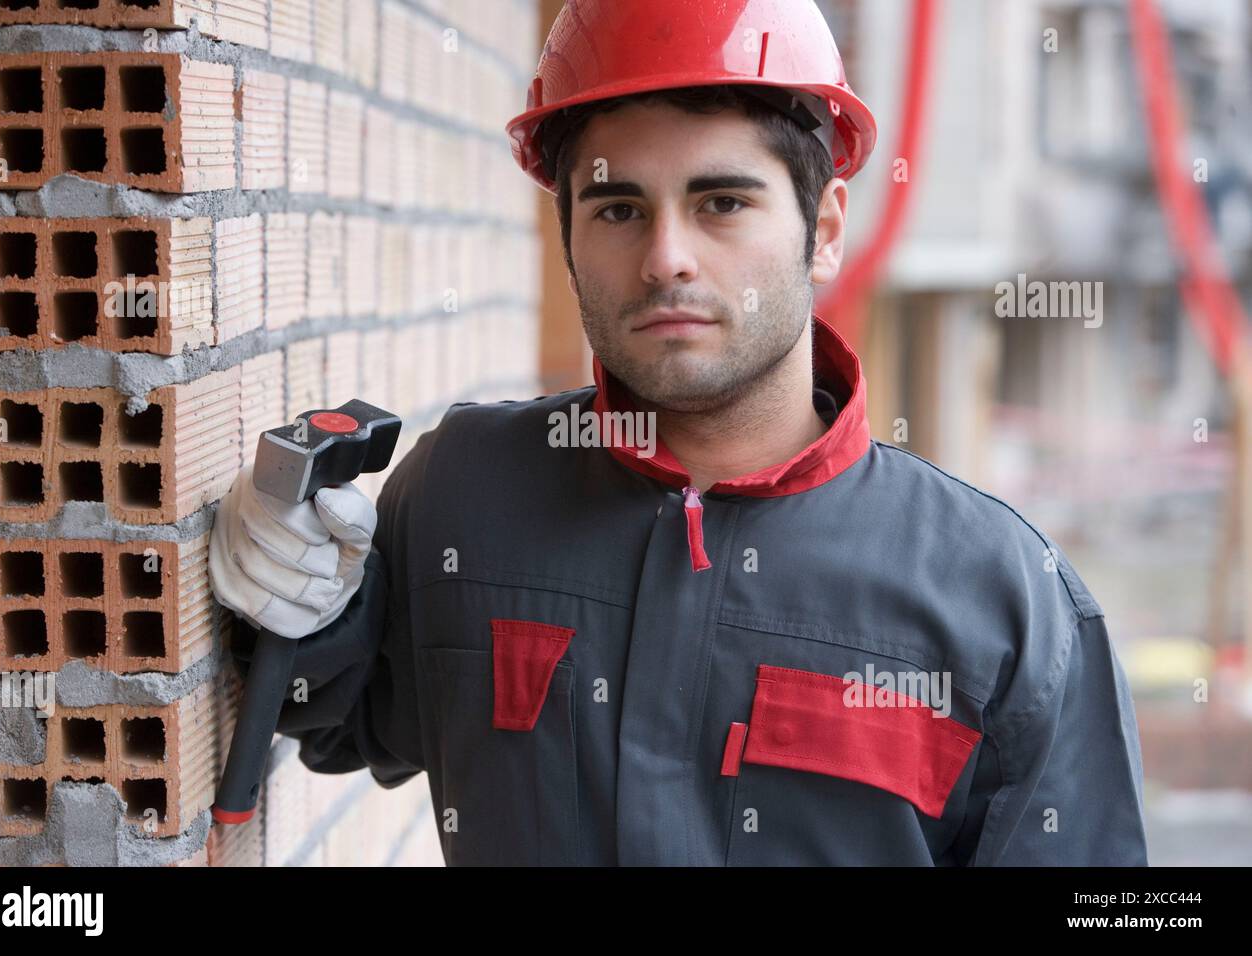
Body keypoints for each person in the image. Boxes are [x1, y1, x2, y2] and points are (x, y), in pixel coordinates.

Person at [209, 0, 1149, 865]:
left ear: (823, 230)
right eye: (619, 209)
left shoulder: (1009, 602)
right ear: (568, 236)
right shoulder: (465, 492)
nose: (667, 258)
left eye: (722, 202)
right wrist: (291, 603)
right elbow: (340, 720)